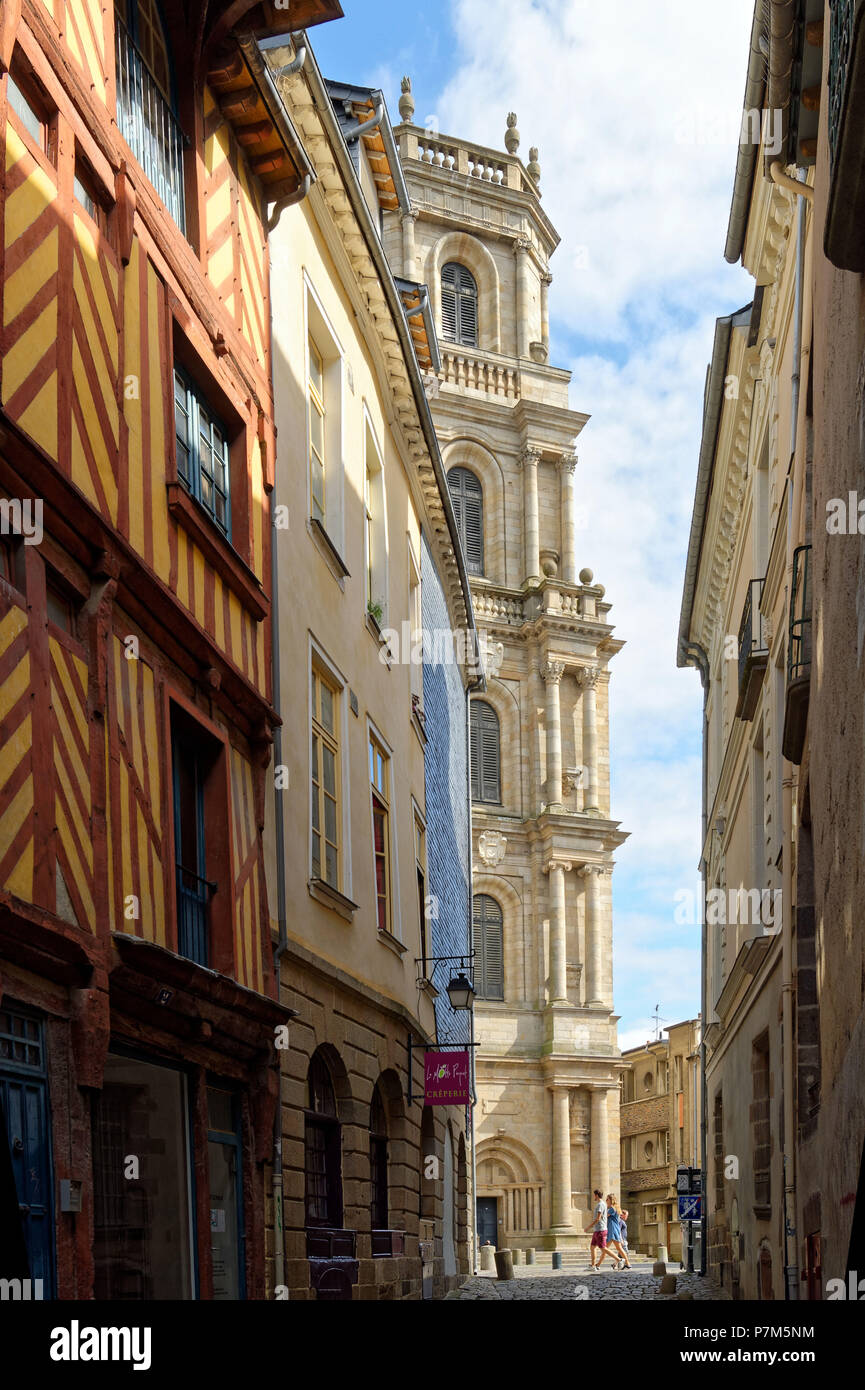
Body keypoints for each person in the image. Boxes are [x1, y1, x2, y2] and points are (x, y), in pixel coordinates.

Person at [597, 1194, 631, 1270]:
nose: (606, 1201)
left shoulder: (612, 1208)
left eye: (607, 1199)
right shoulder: (615, 1208)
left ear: (611, 1200)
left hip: (612, 1230)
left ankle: (598, 1265)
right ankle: (628, 1263)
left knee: (605, 1248)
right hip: (614, 1229)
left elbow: (604, 1216)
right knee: (617, 1249)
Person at [583, 1188, 608, 1272]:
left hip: (600, 1229)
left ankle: (619, 1259)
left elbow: (598, 1219)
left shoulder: (600, 1205)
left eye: (594, 1195)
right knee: (592, 1247)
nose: (594, 1197)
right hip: (597, 1230)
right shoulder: (602, 1204)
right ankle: (593, 1265)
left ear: (596, 1195)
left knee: (603, 1248)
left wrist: (588, 1227)